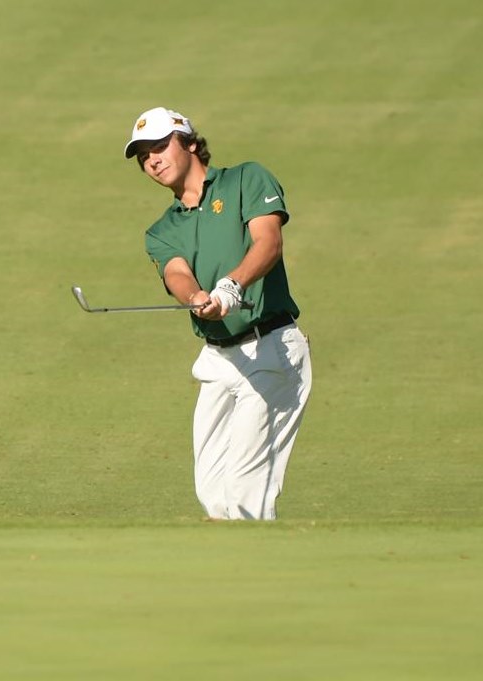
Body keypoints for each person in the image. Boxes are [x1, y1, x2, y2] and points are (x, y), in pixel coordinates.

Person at [121, 106, 314, 521]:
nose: (152, 160)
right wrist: (195, 298)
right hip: (218, 358)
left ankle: (257, 579)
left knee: (246, 490)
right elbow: (176, 272)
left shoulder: (246, 178)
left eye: (159, 146)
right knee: (212, 492)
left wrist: (232, 285)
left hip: (271, 348)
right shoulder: (161, 230)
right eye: (143, 156)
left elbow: (268, 242)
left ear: (190, 143)